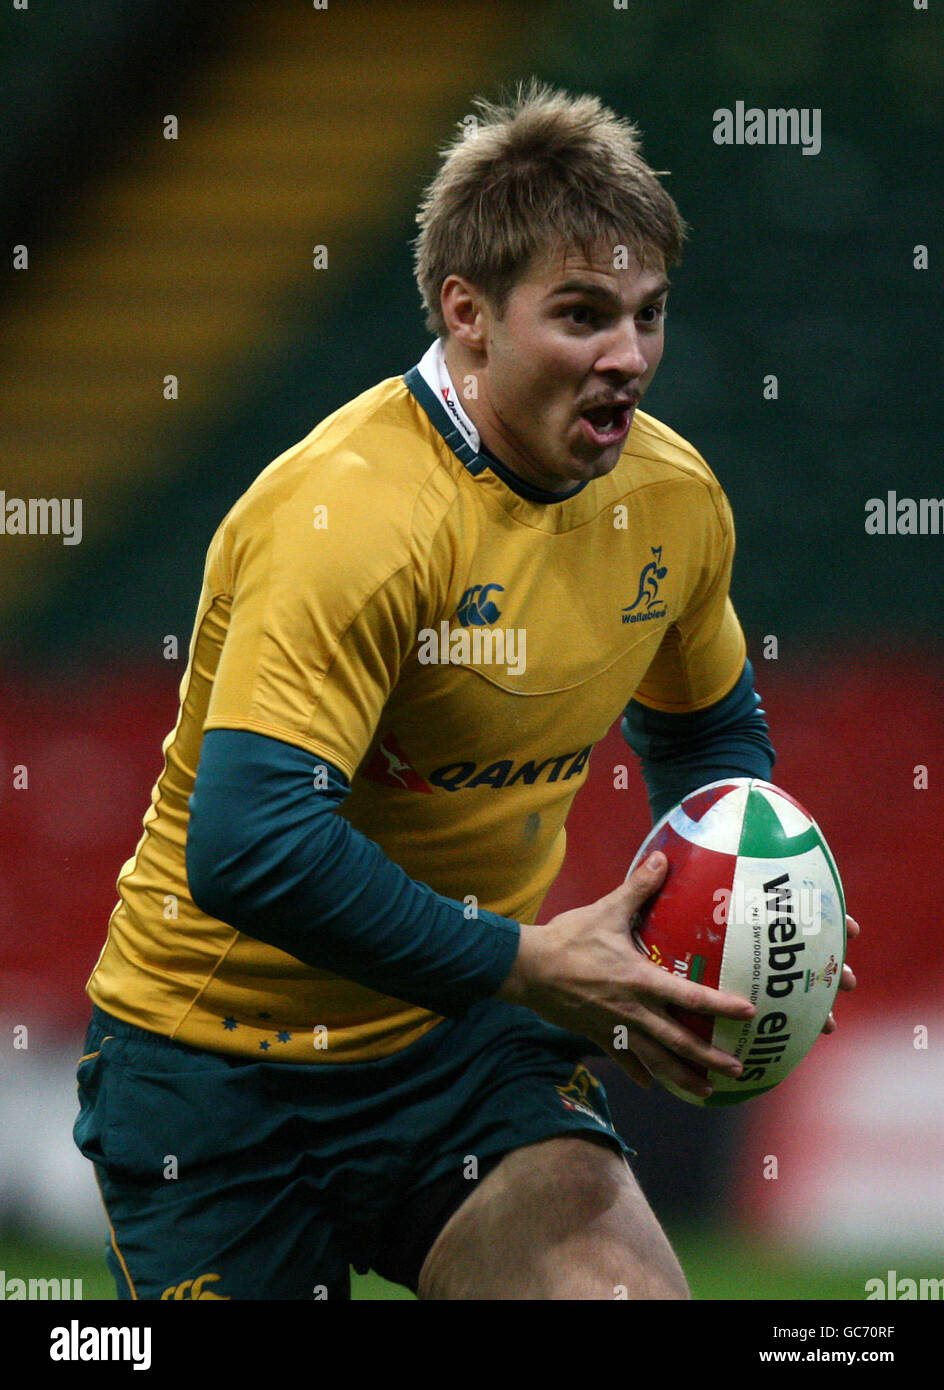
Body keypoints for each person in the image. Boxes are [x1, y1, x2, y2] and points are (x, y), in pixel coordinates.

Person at [74, 80, 856, 1301]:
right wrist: (526, 961)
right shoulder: (346, 518)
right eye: (583, 314)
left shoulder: (671, 499)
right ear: (468, 315)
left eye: (648, 314)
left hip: (459, 1051)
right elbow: (248, 845)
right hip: (211, 1069)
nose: (627, 357)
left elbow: (706, 730)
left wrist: (754, 898)